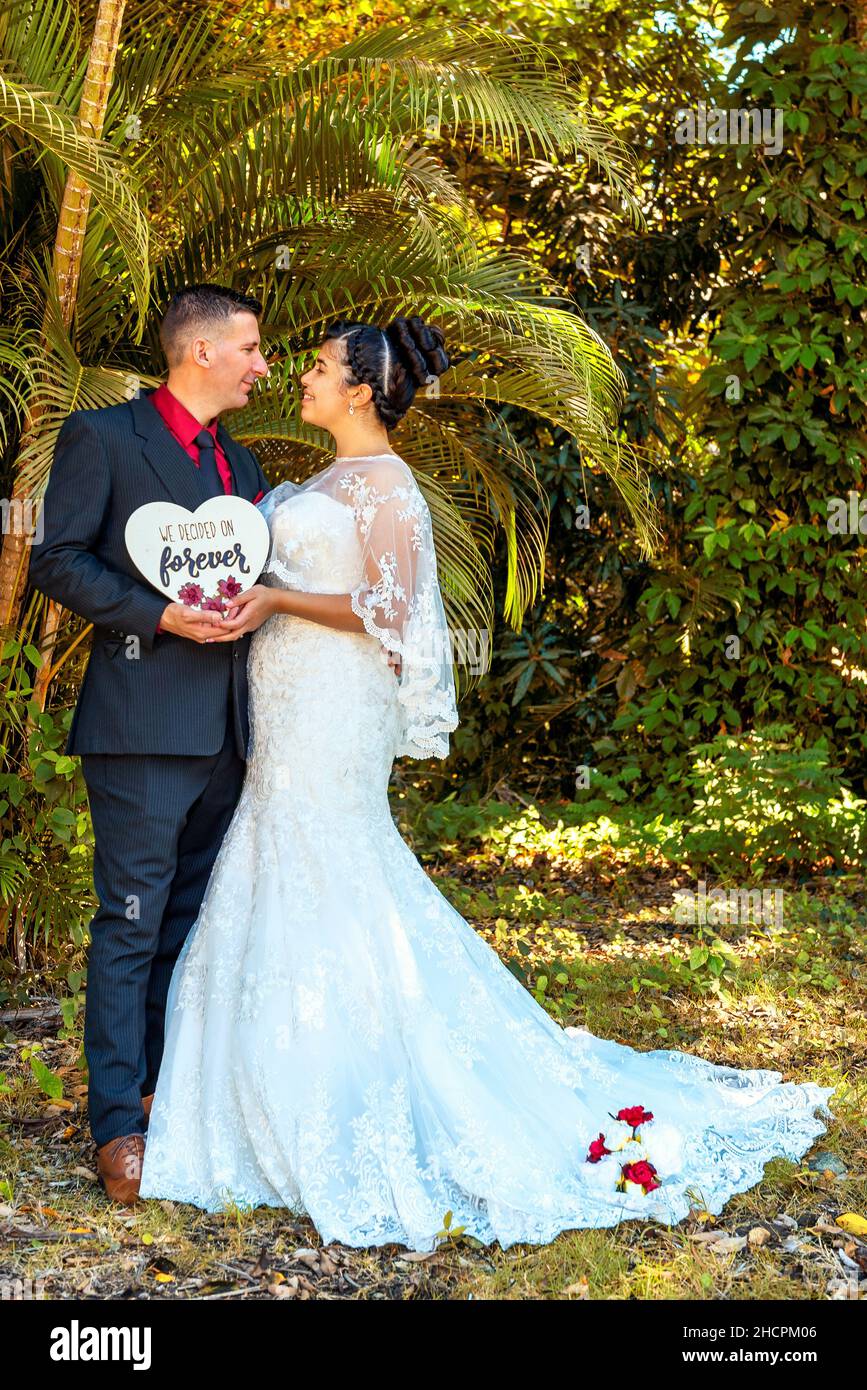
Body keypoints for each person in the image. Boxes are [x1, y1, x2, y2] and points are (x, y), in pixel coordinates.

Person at [138, 313, 835, 1252]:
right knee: (278, 854)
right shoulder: (314, 480)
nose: (297, 376)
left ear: (356, 391)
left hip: (333, 709)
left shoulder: (386, 484)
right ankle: (258, 1099)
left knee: (328, 855)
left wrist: (272, 598)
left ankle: (354, 1091)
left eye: (314, 366)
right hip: (284, 700)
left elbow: (386, 607)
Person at [28, 284, 273, 1203]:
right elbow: (57, 557)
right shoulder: (102, 437)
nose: (262, 365)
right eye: (249, 348)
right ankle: (118, 1129)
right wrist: (159, 614)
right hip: (138, 725)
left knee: (188, 924)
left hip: (230, 732)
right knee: (128, 926)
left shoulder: (241, 464)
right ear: (199, 352)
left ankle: (171, 1101)